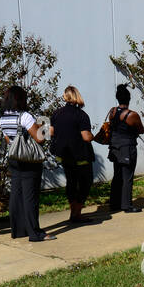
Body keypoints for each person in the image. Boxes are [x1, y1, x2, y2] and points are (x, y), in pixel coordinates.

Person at [0, 85, 47, 242]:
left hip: (14, 158)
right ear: (21, 99)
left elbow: (8, 139)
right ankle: (35, 233)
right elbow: (39, 138)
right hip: (28, 160)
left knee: (16, 194)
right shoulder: (24, 116)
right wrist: (46, 128)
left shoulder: (3, 117)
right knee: (30, 196)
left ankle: (18, 230)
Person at [49, 86, 94, 224]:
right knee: (85, 182)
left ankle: (73, 212)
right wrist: (94, 136)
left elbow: (50, 133)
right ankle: (77, 213)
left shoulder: (56, 114)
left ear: (65, 97)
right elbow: (86, 137)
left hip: (64, 155)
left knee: (71, 182)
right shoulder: (81, 115)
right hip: (80, 156)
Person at [104, 83, 144, 214]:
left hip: (115, 147)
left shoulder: (113, 112)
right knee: (127, 177)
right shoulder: (132, 115)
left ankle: (114, 203)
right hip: (127, 147)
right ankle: (127, 205)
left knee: (117, 175)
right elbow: (141, 130)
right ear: (129, 99)